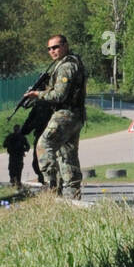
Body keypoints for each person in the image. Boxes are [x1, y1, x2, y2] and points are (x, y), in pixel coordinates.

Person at [25, 34, 87, 200]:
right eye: (49, 48)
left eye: (56, 47)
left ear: (65, 46)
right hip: (76, 115)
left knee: (44, 145)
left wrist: (38, 94)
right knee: (67, 154)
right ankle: (72, 194)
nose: (52, 51)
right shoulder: (72, 63)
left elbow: (59, 95)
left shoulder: (66, 67)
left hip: (65, 114)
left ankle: (51, 186)